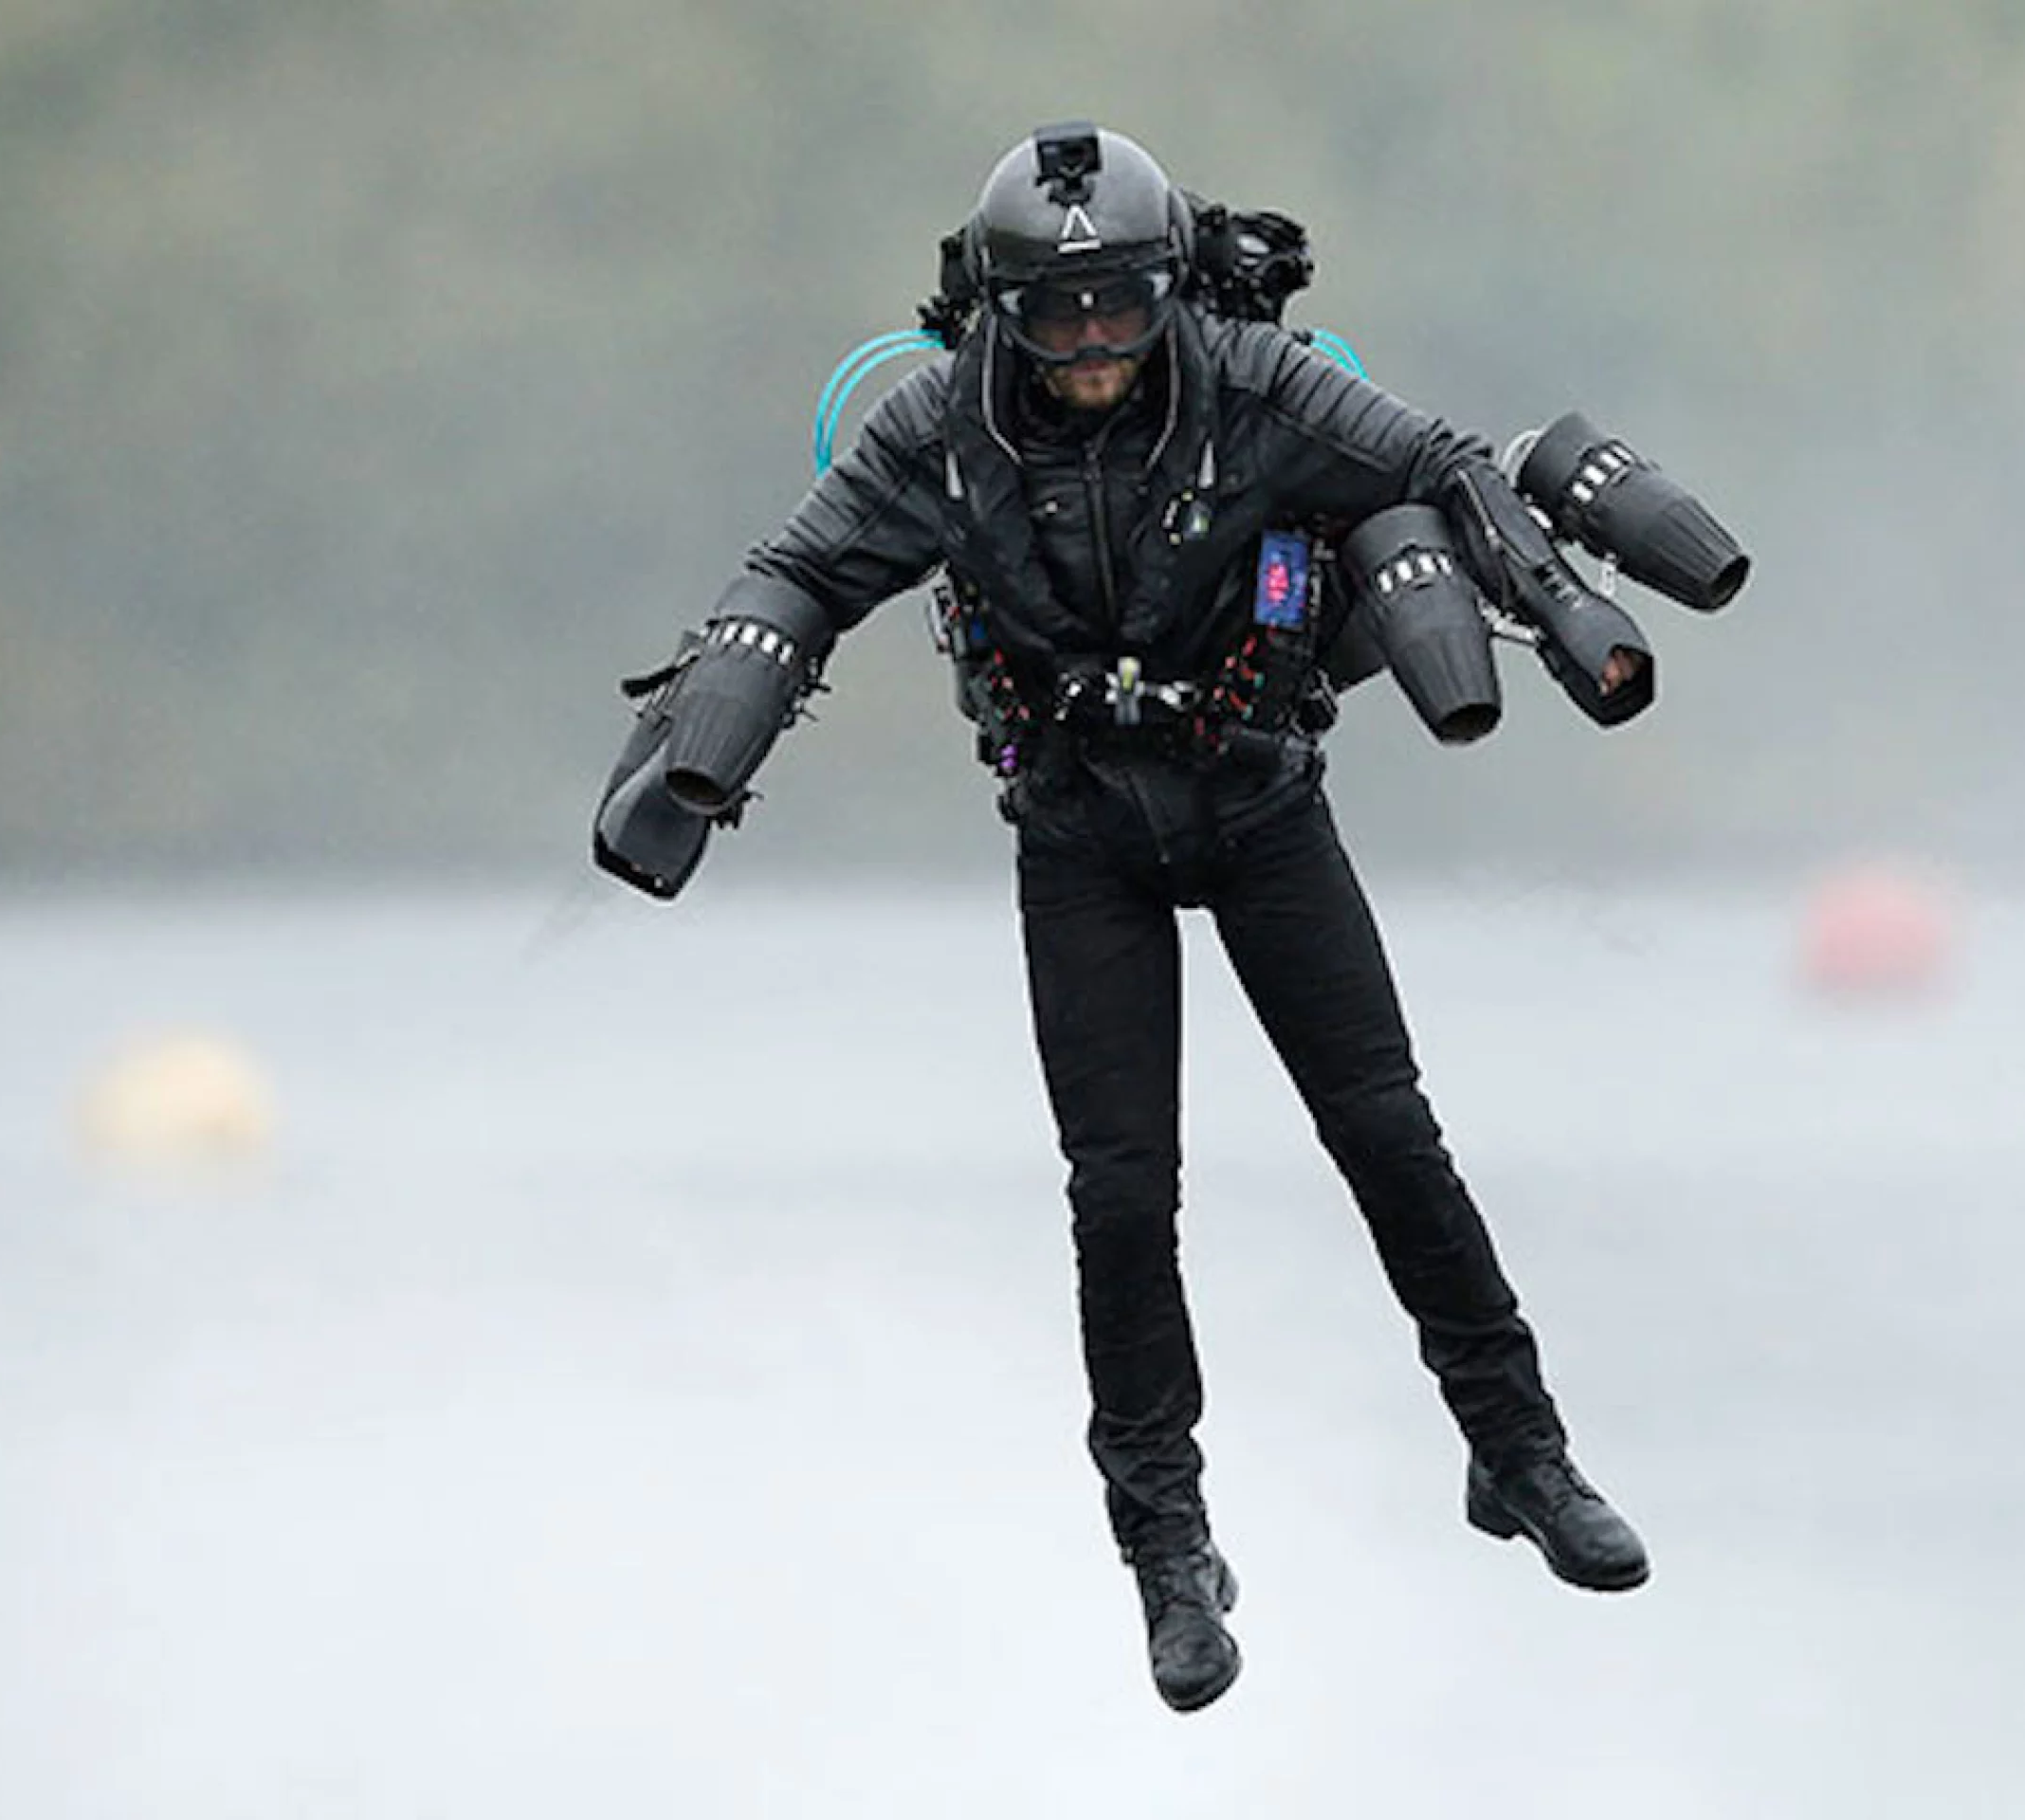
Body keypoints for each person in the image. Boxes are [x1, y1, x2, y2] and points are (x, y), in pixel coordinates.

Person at [610, 121, 1744, 1714]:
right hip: (1079, 834)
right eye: (1056, 316)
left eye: (1121, 309)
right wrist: (710, 721)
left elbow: (1436, 462)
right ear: (999, 312)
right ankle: (1168, 1551)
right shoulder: (937, 430)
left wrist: (1554, 597)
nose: (1092, 344)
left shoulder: (1255, 385)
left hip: (1259, 801)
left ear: (1168, 292)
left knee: (1389, 1137)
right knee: (1123, 1201)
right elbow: (800, 573)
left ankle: (1520, 1453)